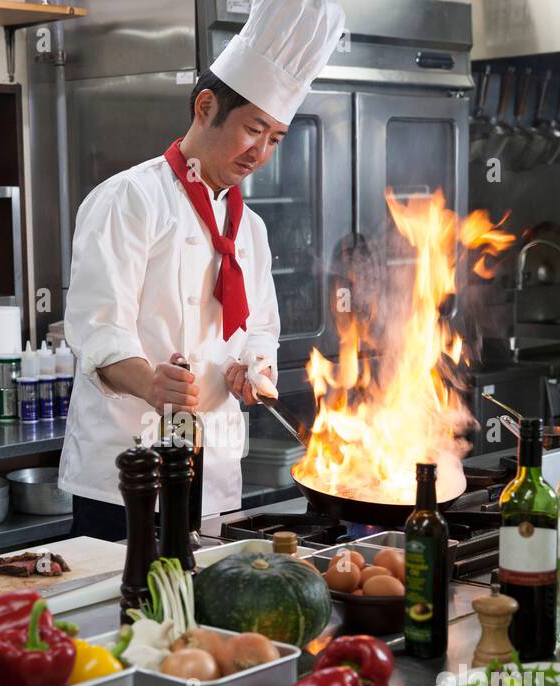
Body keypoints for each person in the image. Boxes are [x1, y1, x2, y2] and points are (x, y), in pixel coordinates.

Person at [57, 0, 345, 542]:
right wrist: (149, 381)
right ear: (205, 105)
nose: (260, 152)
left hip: (214, 475)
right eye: (252, 130)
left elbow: (258, 329)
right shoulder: (127, 200)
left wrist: (253, 370)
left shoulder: (250, 226)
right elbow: (98, 330)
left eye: (275, 139)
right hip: (126, 472)